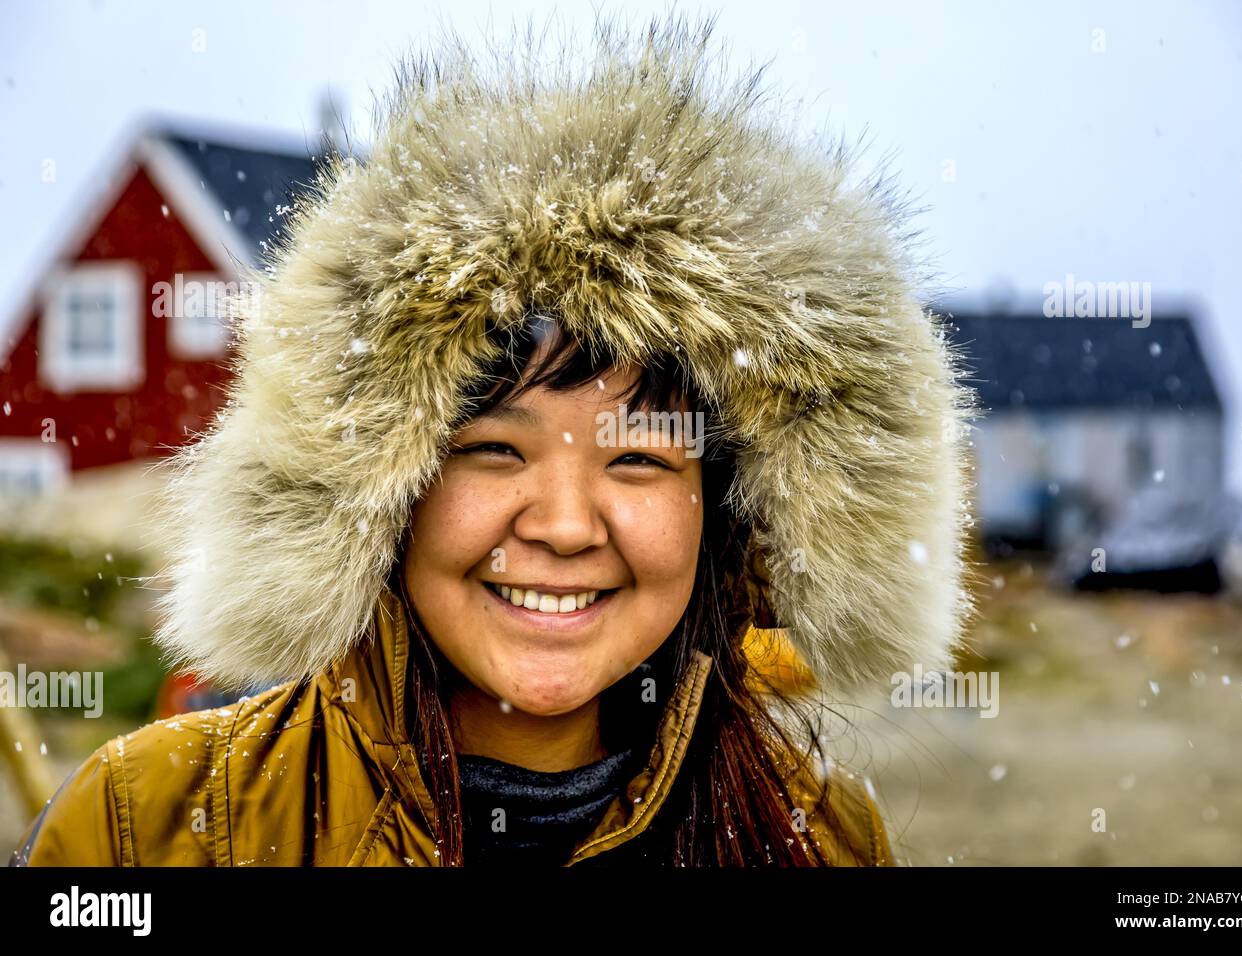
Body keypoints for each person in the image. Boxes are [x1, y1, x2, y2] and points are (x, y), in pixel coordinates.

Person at [9, 12, 974, 867]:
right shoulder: (149, 829)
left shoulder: (823, 842)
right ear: (382, 489)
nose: (562, 526)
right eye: (495, 450)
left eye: (638, 456)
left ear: (727, 516)